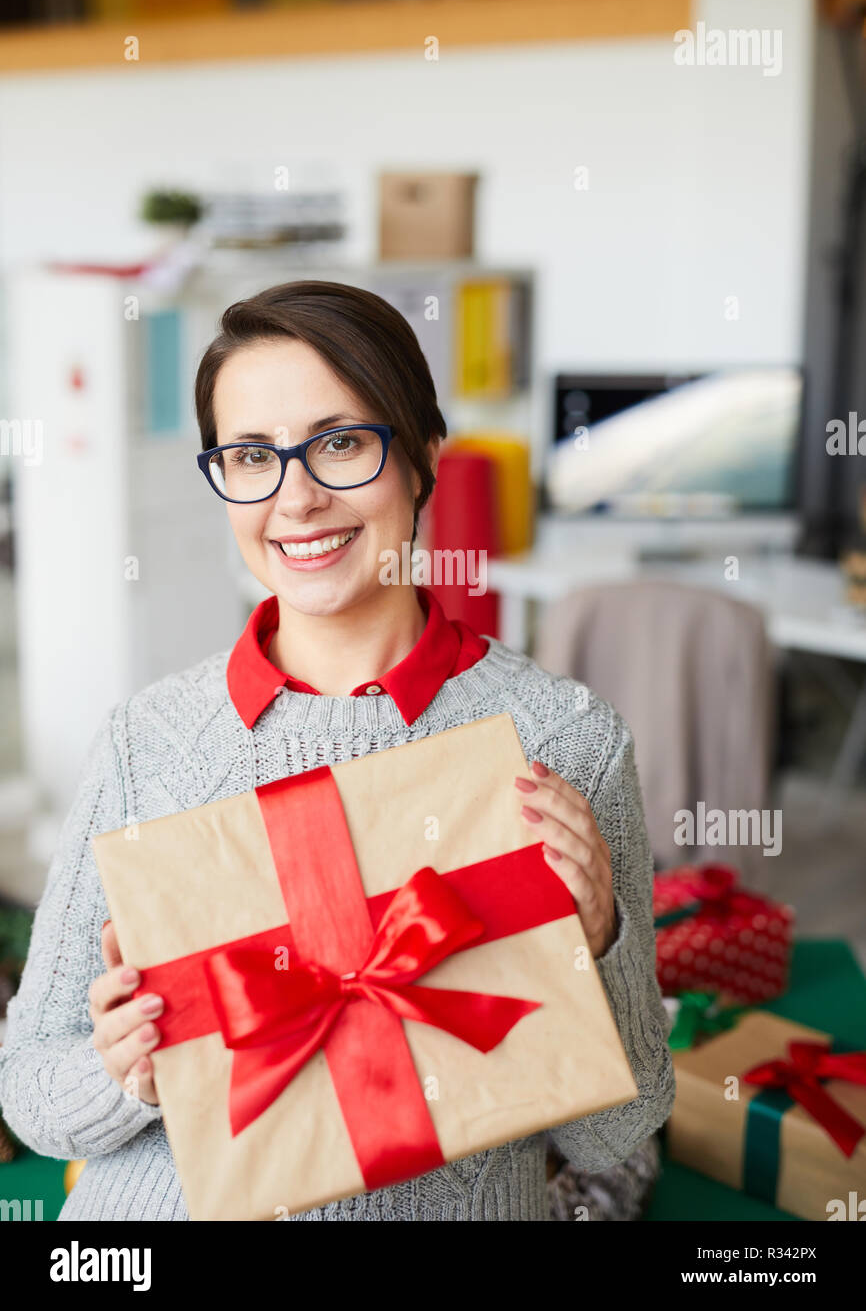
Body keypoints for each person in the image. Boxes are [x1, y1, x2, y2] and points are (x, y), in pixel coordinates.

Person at [0, 280, 675, 1221]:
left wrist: (597, 943)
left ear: (423, 460)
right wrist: (126, 1074)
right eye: (250, 457)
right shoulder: (143, 744)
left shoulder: (562, 744)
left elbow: (616, 1137)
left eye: (342, 443)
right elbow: (28, 1092)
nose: (298, 499)